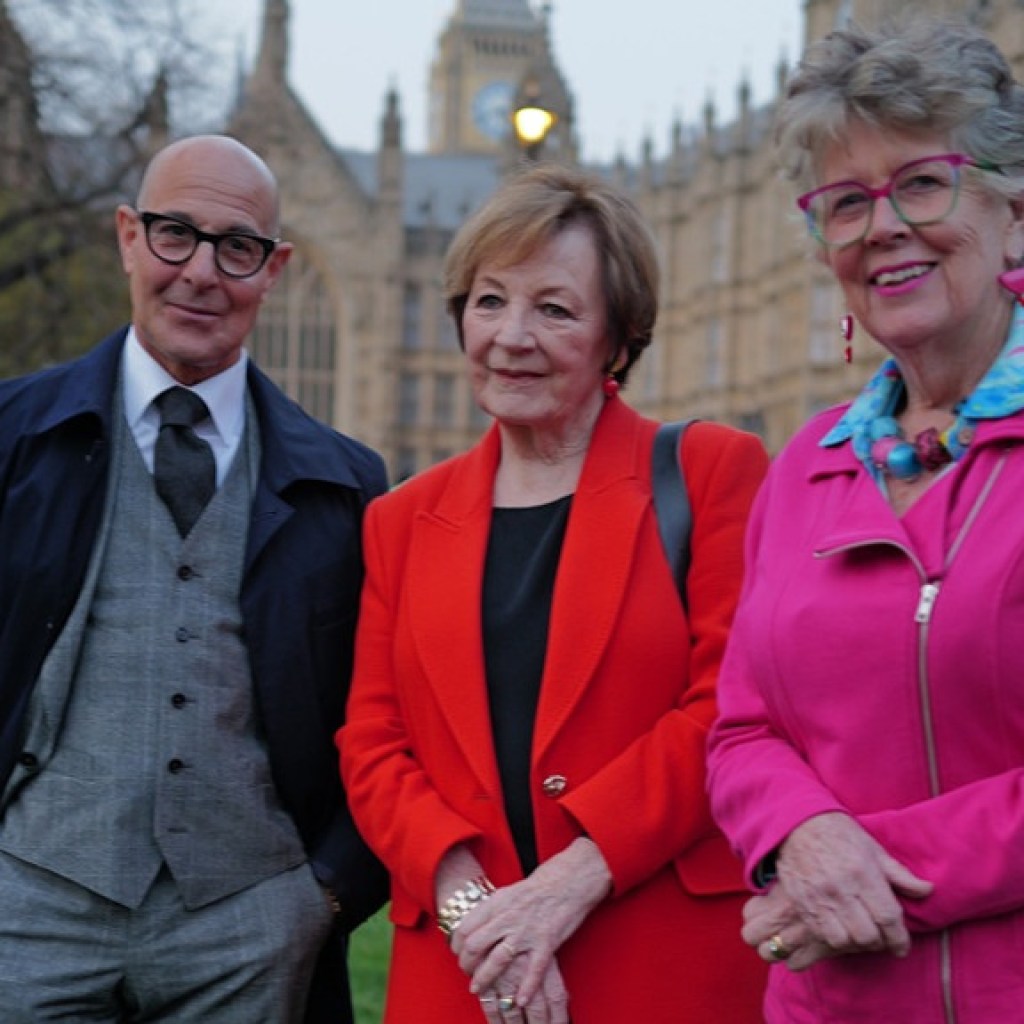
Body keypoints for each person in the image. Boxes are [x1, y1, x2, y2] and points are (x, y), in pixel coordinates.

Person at [338, 163, 769, 1023]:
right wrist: (477, 914)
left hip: (659, 961)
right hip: (465, 977)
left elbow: (728, 705)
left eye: (556, 308)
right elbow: (372, 744)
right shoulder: (401, 517)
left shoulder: (712, 472)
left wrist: (569, 883)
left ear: (620, 336)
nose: (511, 336)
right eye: (489, 301)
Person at [0, 134, 389, 1023]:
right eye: (176, 234)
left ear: (274, 267)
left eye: (237, 247)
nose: (202, 273)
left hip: (248, 934)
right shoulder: (12, 437)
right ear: (128, 237)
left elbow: (384, 712)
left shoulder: (345, 482)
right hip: (27, 908)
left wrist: (323, 895)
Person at [706, 16, 1024, 1024]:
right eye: (845, 203)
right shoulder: (807, 465)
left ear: (1012, 211)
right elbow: (741, 727)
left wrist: (861, 872)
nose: (881, 225)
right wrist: (797, 834)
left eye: (921, 184)